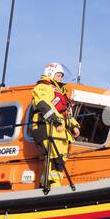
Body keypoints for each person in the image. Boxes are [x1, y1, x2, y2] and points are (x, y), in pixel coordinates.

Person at [28, 61, 79, 191]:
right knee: (53, 159)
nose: (60, 78)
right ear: (50, 74)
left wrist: (74, 125)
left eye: (61, 76)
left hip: (59, 133)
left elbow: (66, 112)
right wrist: (56, 121)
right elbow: (44, 105)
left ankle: (48, 186)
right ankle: (51, 188)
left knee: (58, 161)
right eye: (58, 75)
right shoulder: (42, 88)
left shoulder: (60, 92)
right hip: (46, 129)